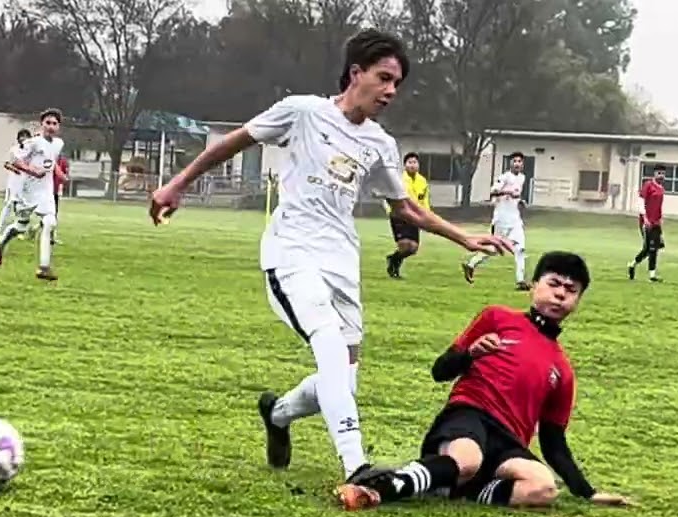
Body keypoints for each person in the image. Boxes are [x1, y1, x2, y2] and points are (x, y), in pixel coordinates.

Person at [148, 29, 510, 484]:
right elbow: (235, 141)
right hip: (292, 252)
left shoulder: (379, 143)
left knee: (345, 377)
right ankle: (355, 465)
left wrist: (464, 238)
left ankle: (278, 414)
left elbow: (405, 208)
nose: (391, 91)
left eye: (397, 83)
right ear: (356, 72)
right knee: (330, 349)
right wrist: (177, 184)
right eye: (384, 78)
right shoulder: (303, 112)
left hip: (342, 261)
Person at [335, 251, 629, 510]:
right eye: (553, 284)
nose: (561, 294)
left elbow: (554, 443)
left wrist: (587, 493)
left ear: (577, 300)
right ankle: (377, 488)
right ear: (533, 284)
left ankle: (454, 485)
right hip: (469, 415)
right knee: (468, 459)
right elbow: (440, 371)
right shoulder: (497, 318)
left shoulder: (562, 369)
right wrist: (470, 355)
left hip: (507, 441)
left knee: (543, 487)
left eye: (571, 290)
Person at [0, 109, 64, 281]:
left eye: (54, 123)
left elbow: (51, 160)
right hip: (28, 191)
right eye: (48, 123)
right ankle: (0, 244)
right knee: (21, 226)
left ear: (59, 127)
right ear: (42, 124)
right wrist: (33, 171)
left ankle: (44, 267)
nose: (51, 126)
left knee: (50, 222)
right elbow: (14, 159)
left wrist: (59, 173)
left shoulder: (58, 144)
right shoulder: (33, 143)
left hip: (45, 192)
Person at [463, 152, 529, 290]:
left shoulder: (522, 178)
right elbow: (492, 192)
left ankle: (520, 280)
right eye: (514, 161)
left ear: (523, 164)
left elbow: (515, 197)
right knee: (495, 248)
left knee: (520, 249)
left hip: (515, 219)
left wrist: (520, 201)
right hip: (501, 219)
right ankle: (471, 264)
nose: (517, 164)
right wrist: (507, 192)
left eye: (519, 161)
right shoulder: (504, 177)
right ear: (510, 163)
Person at [385, 152, 429, 279]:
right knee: (404, 245)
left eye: (415, 162)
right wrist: (391, 210)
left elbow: (424, 200)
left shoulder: (422, 181)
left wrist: (426, 216)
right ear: (404, 165)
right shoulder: (399, 180)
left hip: (414, 217)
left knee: (413, 248)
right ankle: (394, 267)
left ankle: (393, 259)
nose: (412, 165)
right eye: (410, 162)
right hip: (399, 215)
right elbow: (389, 196)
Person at [628, 165, 666, 282]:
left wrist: (660, 220)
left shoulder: (661, 189)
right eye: (659, 173)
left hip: (656, 222)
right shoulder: (648, 185)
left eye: (663, 173)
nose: (661, 175)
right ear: (654, 174)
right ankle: (638, 268)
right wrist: (645, 218)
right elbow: (641, 201)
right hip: (647, 222)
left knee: (654, 248)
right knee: (649, 248)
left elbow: (659, 206)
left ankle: (646, 272)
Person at [0, 128, 32, 238]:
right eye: (22, 136)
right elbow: (6, 164)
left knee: (22, 207)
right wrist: (15, 169)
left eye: (26, 137)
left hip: (25, 182)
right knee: (8, 204)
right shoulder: (14, 150)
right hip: (14, 182)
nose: (23, 139)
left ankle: (19, 230)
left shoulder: (31, 152)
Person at [52, 154, 70, 245]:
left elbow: (64, 173)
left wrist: (64, 181)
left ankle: (52, 236)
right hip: (46, 192)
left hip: (55, 191)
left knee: (54, 213)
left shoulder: (63, 160)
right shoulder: (48, 159)